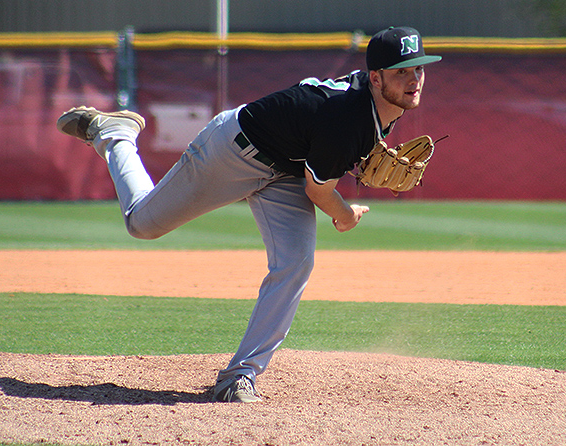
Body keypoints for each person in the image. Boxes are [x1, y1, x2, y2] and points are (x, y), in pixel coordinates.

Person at [57, 26, 441, 403]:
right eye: (401, 72)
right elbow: (319, 190)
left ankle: (239, 375)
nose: (414, 80)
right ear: (375, 78)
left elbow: (320, 154)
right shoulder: (348, 117)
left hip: (287, 169)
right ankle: (116, 135)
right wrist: (345, 216)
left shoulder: (383, 104)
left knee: (295, 262)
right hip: (234, 151)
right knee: (141, 224)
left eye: (418, 69)